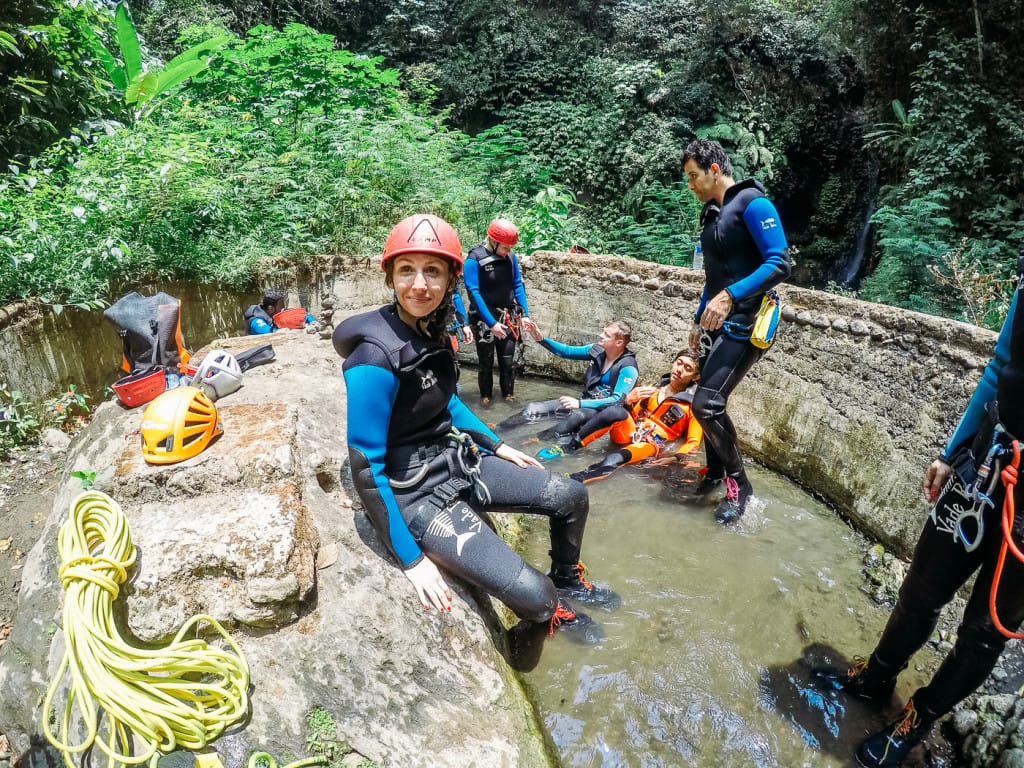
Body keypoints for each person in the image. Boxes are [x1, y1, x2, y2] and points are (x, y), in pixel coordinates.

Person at [332, 213, 617, 643]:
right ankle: (552, 602)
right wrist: (412, 561)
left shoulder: (429, 328)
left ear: (450, 279)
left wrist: (496, 445)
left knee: (571, 496)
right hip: (415, 492)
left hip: (455, 462)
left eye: (433, 270)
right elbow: (366, 468)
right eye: (407, 270)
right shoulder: (374, 356)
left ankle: (568, 578)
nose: (420, 284)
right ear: (390, 276)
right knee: (537, 599)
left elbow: (443, 400)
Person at [810, 254, 1024, 768]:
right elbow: (1000, 365)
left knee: (985, 630)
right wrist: (952, 452)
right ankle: (876, 675)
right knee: (921, 589)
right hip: (987, 460)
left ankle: (919, 718)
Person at [682, 138, 791, 524]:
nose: (690, 185)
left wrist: (731, 295)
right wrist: (698, 320)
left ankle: (739, 486)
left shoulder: (753, 204)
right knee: (706, 402)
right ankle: (713, 473)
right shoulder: (712, 215)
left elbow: (779, 263)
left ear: (714, 169)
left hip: (749, 320)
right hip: (718, 323)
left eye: (694, 176)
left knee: (706, 404)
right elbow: (713, 280)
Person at [499, 319, 640, 460]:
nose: (601, 335)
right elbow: (566, 351)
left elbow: (617, 400)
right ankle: (497, 430)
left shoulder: (628, 367)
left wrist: (579, 404)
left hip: (601, 412)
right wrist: (540, 339)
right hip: (582, 402)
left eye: (607, 335)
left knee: (575, 419)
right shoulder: (597, 350)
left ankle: (531, 441)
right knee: (533, 408)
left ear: (619, 343)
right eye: (603, 331)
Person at [568, 350, 703, 484]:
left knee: (616, 457)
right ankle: (568, 448)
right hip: (631, 432)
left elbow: (693, 442)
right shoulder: (653, 389)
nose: (680, 370)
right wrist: (627, 400)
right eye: (679, 363)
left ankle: (576, 479)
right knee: (614, 412)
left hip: (651, 444)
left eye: (687, 368)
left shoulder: (693, 405)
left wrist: (675, 458)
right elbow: (626, 414)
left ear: (695, 377)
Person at [464, 218, 532, 404]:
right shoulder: (474, 259)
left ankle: (508, 396)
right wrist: (491, 323)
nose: (508, 251)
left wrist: (524, 314)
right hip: (484, 319)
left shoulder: (511, 257)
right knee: (485, 362)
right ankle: (486, 398)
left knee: (508, 361)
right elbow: (474, 292)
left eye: (510, 247)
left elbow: (517, 285)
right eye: (505, 247)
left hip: (508, 315)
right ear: (493, 242)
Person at [243, 288, 314, 334]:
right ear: (271, 308)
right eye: (281, 307)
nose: (283, 309)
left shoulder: (273, 312)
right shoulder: (256, 321)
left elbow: (302, 316)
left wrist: (312, 322)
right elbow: (272, 333)